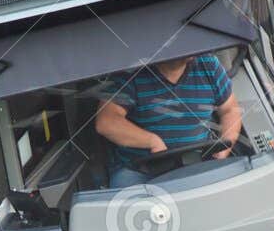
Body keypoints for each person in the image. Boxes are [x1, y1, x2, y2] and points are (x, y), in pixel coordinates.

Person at [94, 53, 244, 187]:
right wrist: (151, 140)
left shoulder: (209, 65)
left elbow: (230, 110)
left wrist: (224, 146)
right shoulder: (129, 73)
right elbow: (106, 122)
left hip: (197, 162)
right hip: (140, 170)